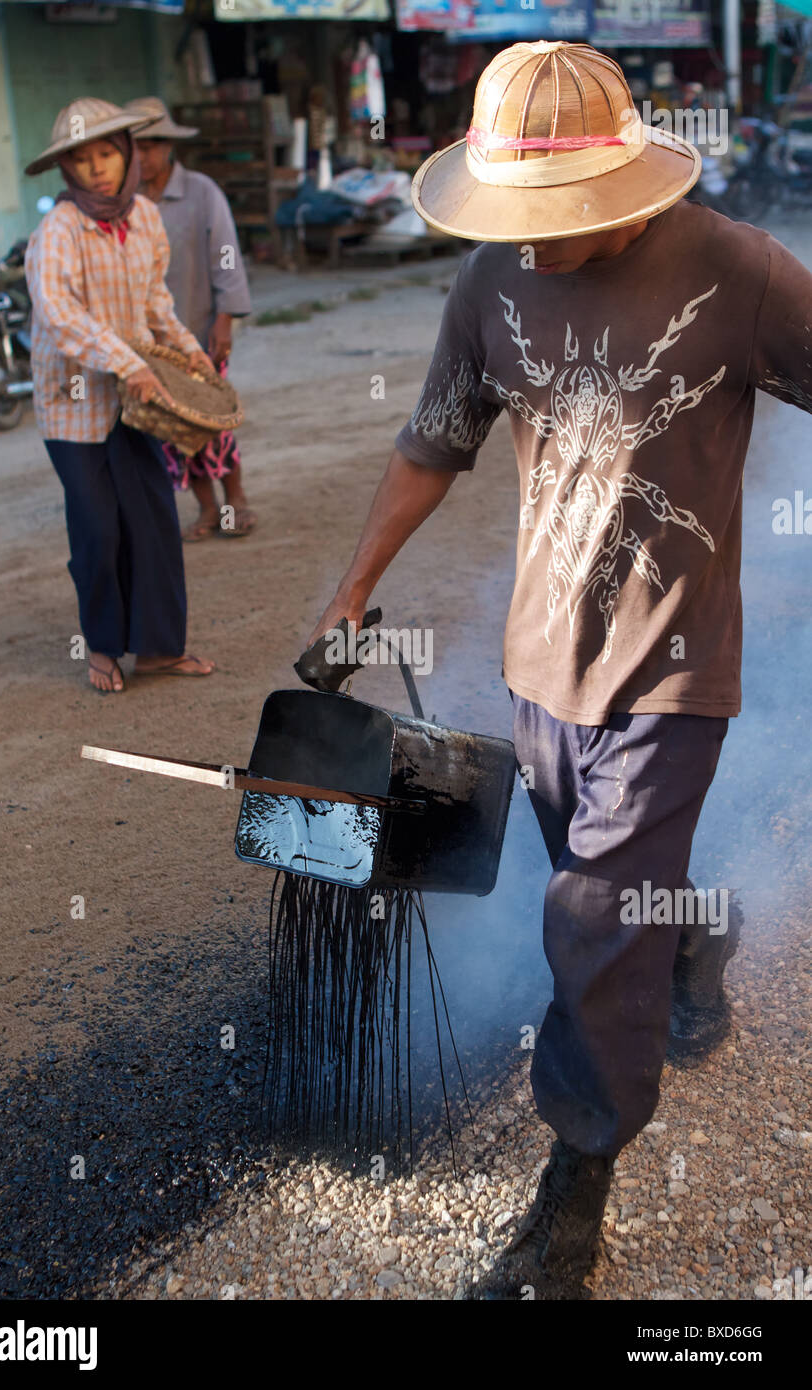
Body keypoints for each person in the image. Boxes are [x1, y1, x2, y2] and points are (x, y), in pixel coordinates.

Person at [303, 40, 812, 1300]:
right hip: (541, 667)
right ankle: (694, 938)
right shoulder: (487, 284)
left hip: (669, 674)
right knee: (603, 883)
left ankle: (569, 1198)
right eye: (508, 217)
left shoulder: (737, 271)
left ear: (621, 191)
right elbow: (433, 443)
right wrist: (353, 592)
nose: (524, 241)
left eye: (548, 219)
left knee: (587, 917)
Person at [25, 97, 217, 693]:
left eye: (108, 153)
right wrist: (126, 361)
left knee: (155, 517)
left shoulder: (146, 219)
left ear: (129, 154)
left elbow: (153, 302)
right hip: (72, 402)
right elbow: (59, 315)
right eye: (82, 159)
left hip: (138, 399)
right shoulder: (57, 231)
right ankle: (103, 646)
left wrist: (188, 347)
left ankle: (159, 648)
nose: (97, 168)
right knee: (97, 528)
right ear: (66, 170)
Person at [126, 96, 256, 542]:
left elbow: (226, 258)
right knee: (176, 432)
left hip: (200, 333)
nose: (143, 156)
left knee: (211, 422)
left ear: (169, 147)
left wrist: (226, 319)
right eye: (135, 146)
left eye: (152, 145)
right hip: (149, 347)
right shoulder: (124, 204)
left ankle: (235, 502)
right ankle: (206, 508)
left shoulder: (202, 192)